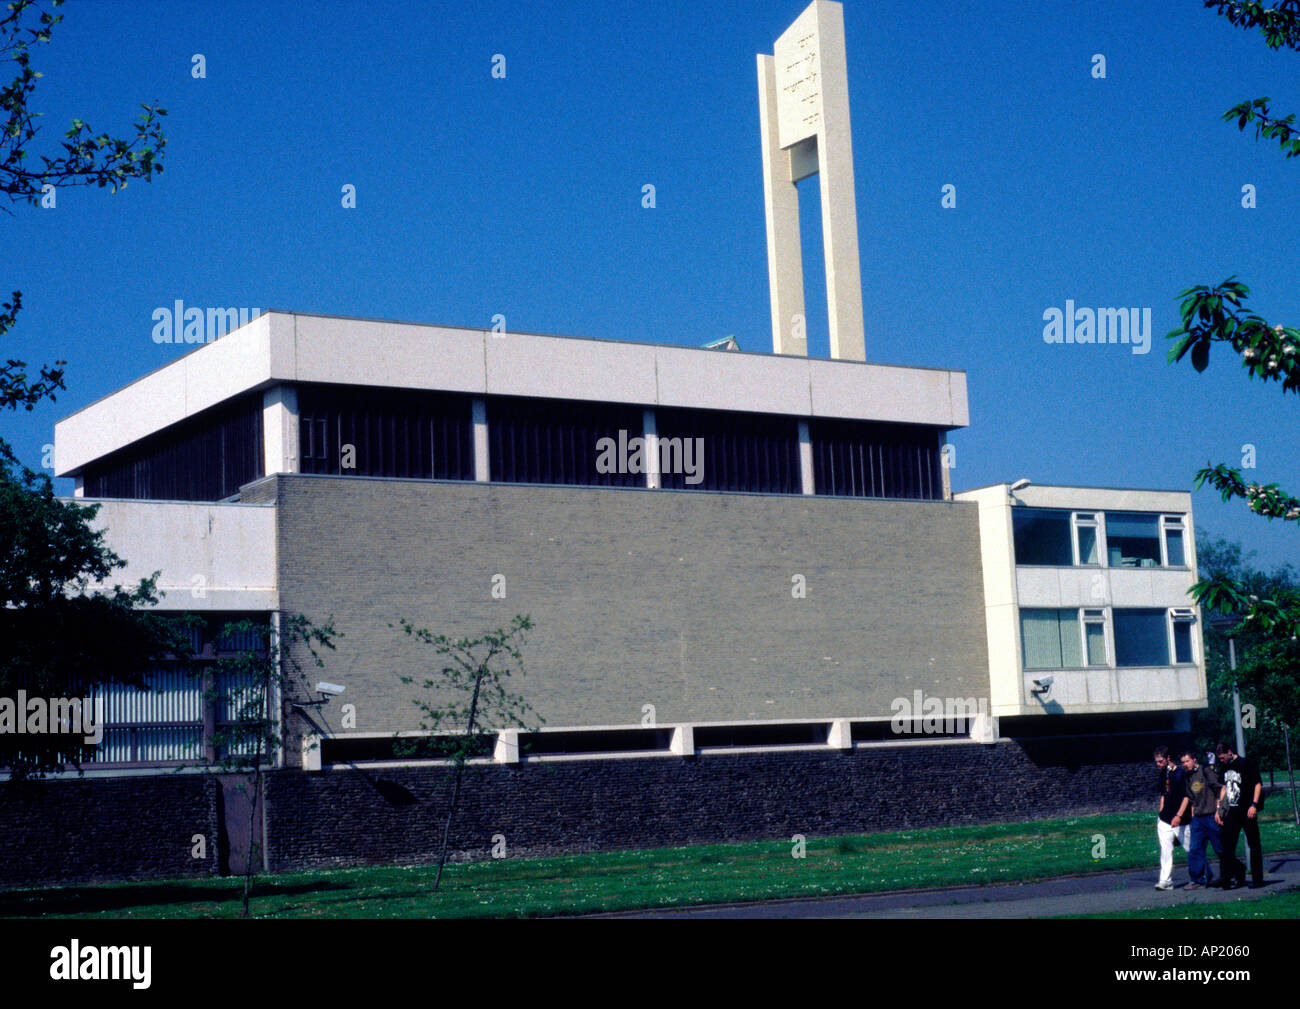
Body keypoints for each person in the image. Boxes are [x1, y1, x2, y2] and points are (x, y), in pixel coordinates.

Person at [1215, 741, 1265, 889]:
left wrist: (1254, 804)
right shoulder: (1224, 766)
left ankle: (1257, 878)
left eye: (1223, 757)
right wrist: (1219, 808)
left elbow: (1257, 784)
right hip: (1232, 811)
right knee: (1227, 844)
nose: (1221, 760)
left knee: (1253, 844)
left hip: (1247, 810)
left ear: (1230, 752)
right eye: (1220, 759)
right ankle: (1227, 877)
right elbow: (1224, 787)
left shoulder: (1246, 763)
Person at [1175, 748, 1224, 889]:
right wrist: (1193, 813)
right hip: (1198, 818)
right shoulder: (1187, 776)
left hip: (1211, 815)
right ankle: (1197, 879)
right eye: (1183, 762)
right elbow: (1191, 797)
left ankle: (1230, 873)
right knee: (1195, 848)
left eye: (1187, 761)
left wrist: (1219, 810)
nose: (1185, 764)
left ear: (1194, 760)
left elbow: (1219, 789)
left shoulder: (1205, 771)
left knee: (1219, 848)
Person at [1153, 745, 1189, 890]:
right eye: (1156, 761)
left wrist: (1179, 815)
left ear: (1168, 758)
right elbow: (1163, 795)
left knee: (1190, 848)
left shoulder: (1181, 774)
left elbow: (1187, 797)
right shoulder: (1163, 774)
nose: (1158, 764)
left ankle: (1203, 874)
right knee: (1166, 851)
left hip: (1181, 819)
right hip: (1165, 819)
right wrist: (1161, 813)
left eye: (1160, 761)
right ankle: (1165, 881)